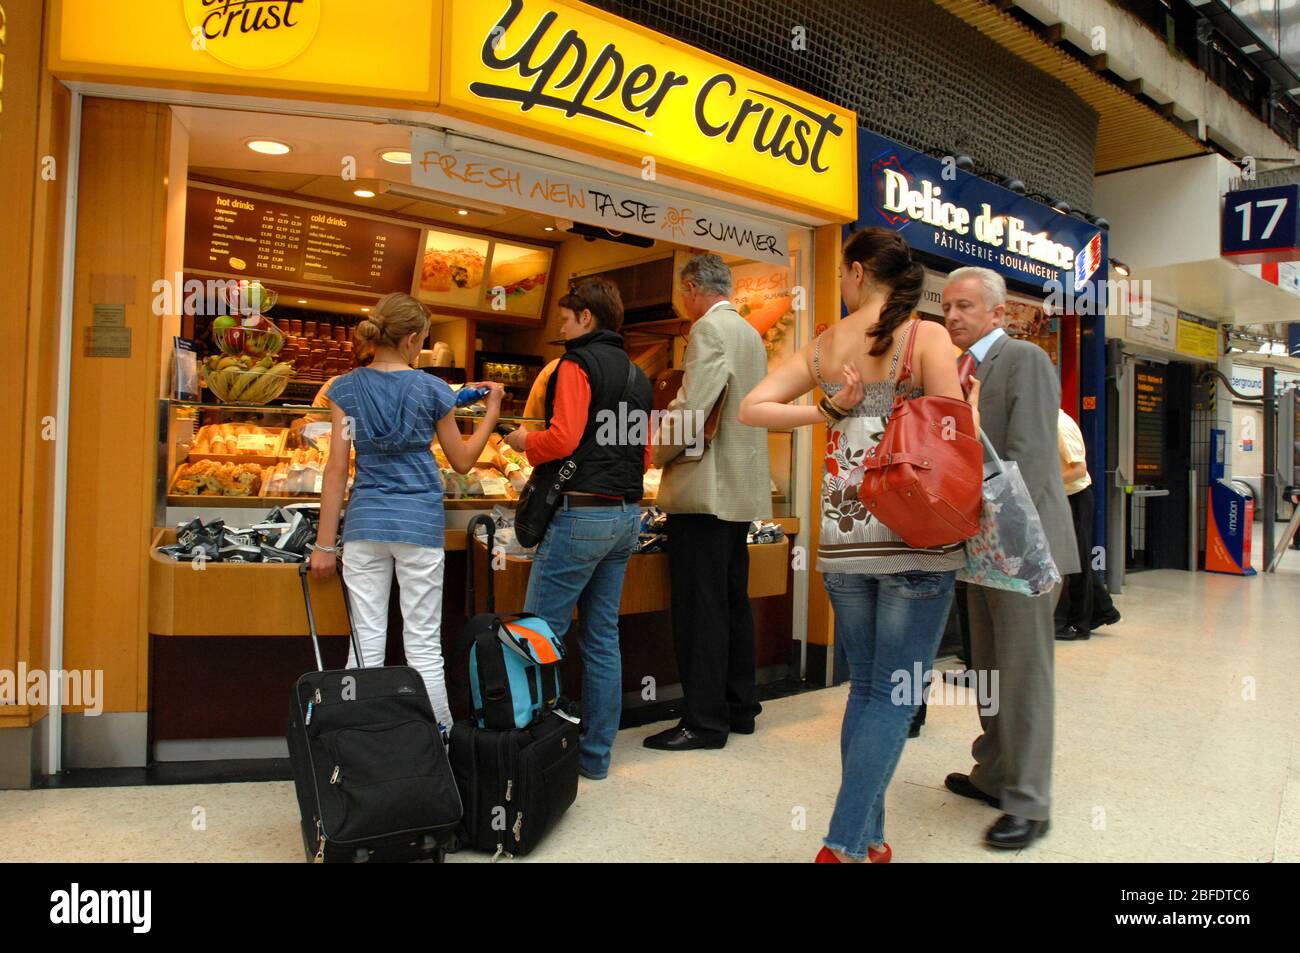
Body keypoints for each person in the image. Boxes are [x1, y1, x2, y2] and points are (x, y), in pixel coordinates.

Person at [740, 228, 979, 863]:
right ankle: (841, 847)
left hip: (844, 540)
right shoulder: (926, 336)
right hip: (914, 539)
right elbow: (952, 435)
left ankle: (870, 840)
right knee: (894, 696)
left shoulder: (823, 347)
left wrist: (828, 413)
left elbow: (753, 407)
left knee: (868, 689)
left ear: (855, 272)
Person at [310, 292, 504, 732]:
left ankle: (361, 747)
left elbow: (336, 469)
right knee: (422, 646)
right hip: (419, 524)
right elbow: (462, 460)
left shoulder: (344, 389)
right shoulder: (432, 390)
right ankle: (440, 748)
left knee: (364, 645)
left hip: (364, 525)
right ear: (413, 338)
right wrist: (490, 412)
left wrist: (324, 544)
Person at [940, 266, 1079, 849]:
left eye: (966, 306)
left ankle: (1030, 801)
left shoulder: (1024, 360)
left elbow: (1028, 460)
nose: (952, 315)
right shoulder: (958, 369)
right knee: (990, 669)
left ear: (998, 313)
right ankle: (994, 773)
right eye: (947, 305)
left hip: (1023, 549)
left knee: (1022, 676)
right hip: (981, 547)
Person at [501, 277, 651, 780]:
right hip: (627, 515)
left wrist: (525, 441)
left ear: (586, 318)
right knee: (603, 638)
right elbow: (643, 450)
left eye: (565, 318)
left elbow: (563, 438)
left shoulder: (575, 364)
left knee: (539, 634)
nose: (561, 327)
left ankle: (535, 755)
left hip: (580, 514)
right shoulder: (637, 373)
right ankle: (594, 757)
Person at [642, 254, 772, 753]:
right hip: (738, 489)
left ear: (693, 287)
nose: (683, 301)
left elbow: (692, 406)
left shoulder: (708, 331)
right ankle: (740, 708)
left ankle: (703, 721)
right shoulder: (750, 335)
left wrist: (656, 451)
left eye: (683, 291)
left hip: (704, 490)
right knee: (731, 601)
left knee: (700, 611)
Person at [1055, 408, 1097, 641]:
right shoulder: (1051, 421)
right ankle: (1104, 610)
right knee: (1078, 558)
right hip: (1067, 496)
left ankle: (1079, 625)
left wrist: (1049, 482)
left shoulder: (1060, 425)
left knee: (1077, 561)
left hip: (1076, 497)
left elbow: (1079, 468)